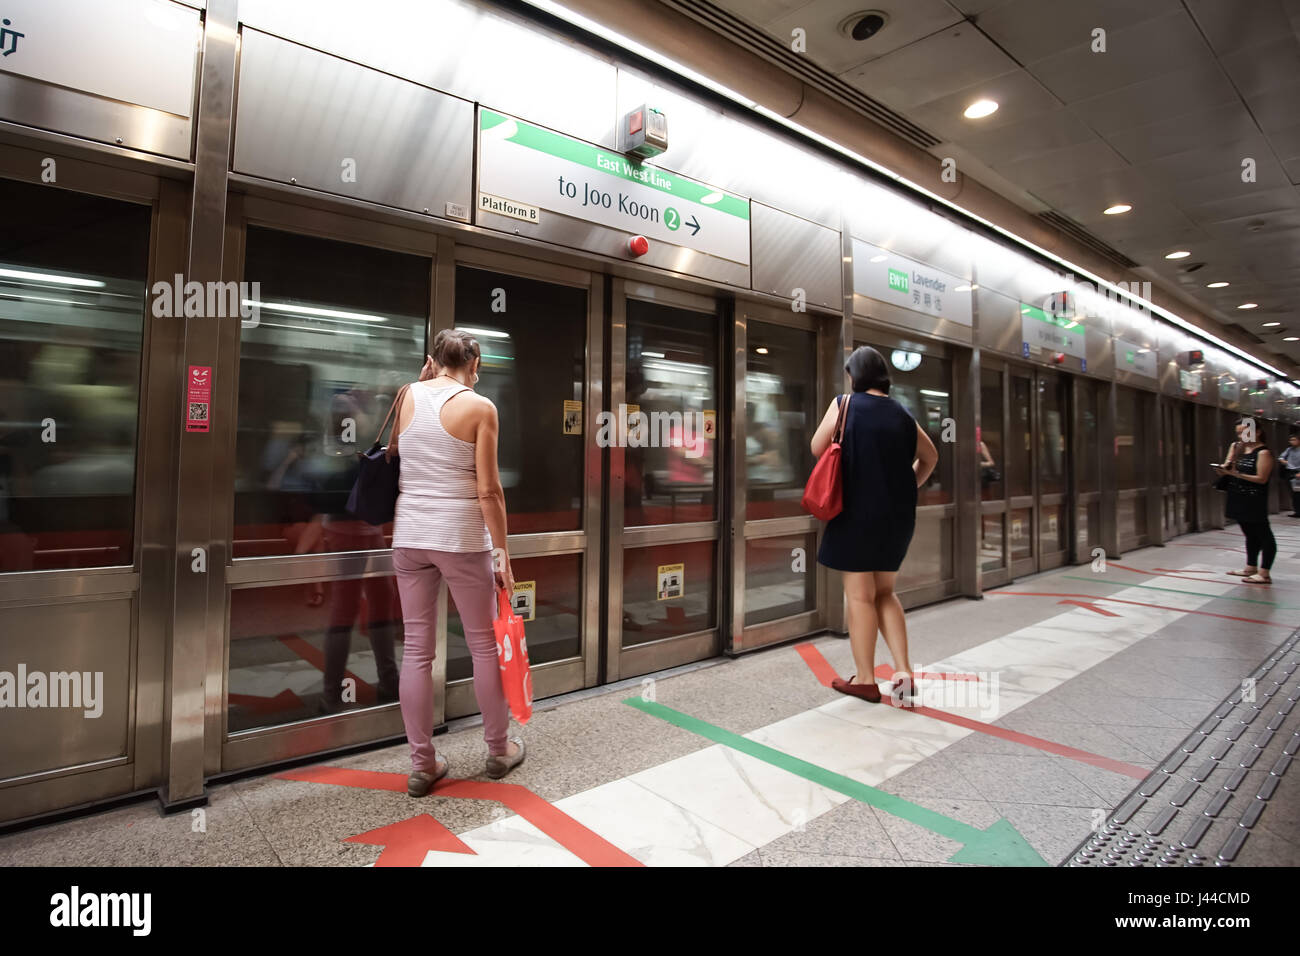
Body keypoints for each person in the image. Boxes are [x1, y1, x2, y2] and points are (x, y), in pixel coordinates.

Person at [391, 330, 524, 797]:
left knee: (416, 649)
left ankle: (423, 764)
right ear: (476, 362)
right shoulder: (480, 406)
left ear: (433, 360)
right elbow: (488, 490)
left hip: (409, 536)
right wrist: (502, 555)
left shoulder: (406, 394)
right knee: (484, 646)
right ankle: (498, 748)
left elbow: (398, 453)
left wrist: (419, 383)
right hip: (461, 537)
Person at [812, 345, 938, 705]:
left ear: (856, 375)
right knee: (885, 592)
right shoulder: (901, 413)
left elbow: (817, 447)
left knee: (859, 596)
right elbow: (930, 457)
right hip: (896, 515)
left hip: (855, 511)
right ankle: (903, 673)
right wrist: (907, 485)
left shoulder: (844, 405)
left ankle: (866, 679)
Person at [1214, 420, 1276, 584]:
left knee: (1263, 533)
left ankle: (1265, 573)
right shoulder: (1236, 447)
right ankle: (1251, 567)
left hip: (1254, 497)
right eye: (1239, 433)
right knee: (1249, 532)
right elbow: (1228, 468)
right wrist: (1224, 469)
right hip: (1237, 494)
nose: (1241, 436)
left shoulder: (1263, 453)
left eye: (1245, 432)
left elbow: (1262, 479)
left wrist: (1237, 475)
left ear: (1258, 432)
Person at [1278, 432, 1300, 518]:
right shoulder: (1289, 449)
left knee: (1298, 494)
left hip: (1298, 472)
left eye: (1294, 439)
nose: (1291, 441)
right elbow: (1280, 457)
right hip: (1290, 473)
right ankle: (1297, 511)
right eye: (1290, 440)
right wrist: (1284, 461)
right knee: (1293, 494)